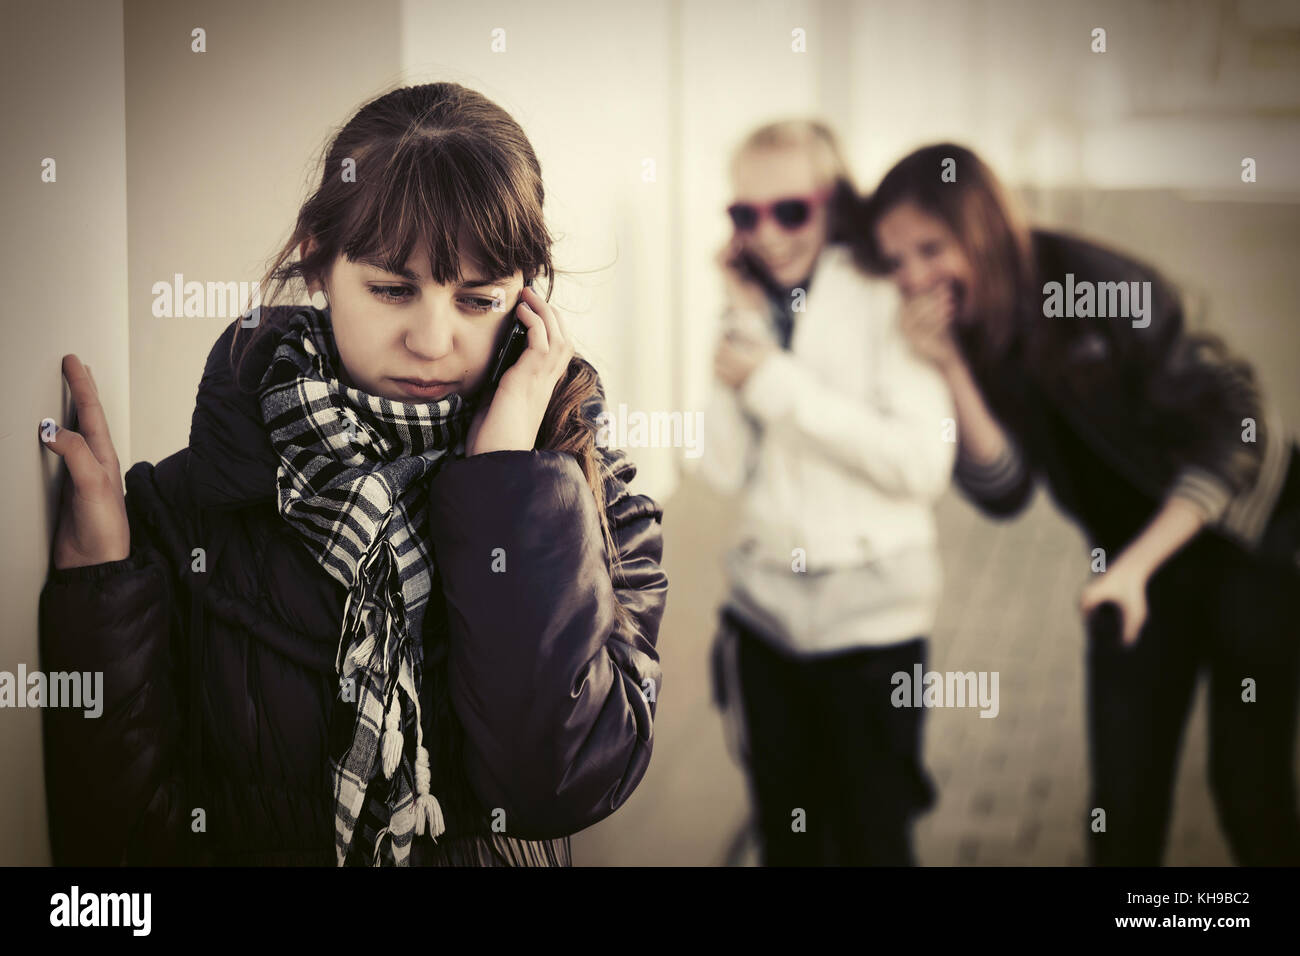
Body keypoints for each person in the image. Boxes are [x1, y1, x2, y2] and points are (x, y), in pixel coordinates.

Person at [37, 81, 668, 867]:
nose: (433, 341)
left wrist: (508, 478)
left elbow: (551, 787)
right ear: (316, 259)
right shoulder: (185, 511)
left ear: (528, 297)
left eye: (477, 300)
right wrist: (101, 585)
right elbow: (119, 837)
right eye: (392, 289)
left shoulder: (599, 511)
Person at [867, 142, 1300, 866]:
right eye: (895, 261)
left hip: (1250, 546)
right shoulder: (969, 328)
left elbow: (1238, 423)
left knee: (1249, 792)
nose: (914, 277)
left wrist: (1136, 565)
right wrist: (948, 368)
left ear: (978, 226)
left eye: (929, 248)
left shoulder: (1096, 282)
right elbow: (1003, 491)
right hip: (1132, 568)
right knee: (1121, 811)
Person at [700, 120, 955, 865]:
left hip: (872, 628)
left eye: (790, 211)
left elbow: (920, 465)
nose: (768, 235)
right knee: (790, 843)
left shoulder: (886, 294)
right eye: (745, 215)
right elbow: (720, 468)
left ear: (834, 202)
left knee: (875, 839)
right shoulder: (748, 301)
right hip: (767, 621)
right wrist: (740, 317)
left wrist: (775, 383)